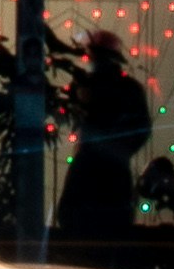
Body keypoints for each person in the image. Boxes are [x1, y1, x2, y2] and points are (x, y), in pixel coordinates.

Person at [58, 29, 154, 240]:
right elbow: (142, 129)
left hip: (100, 167)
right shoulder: (127, 88)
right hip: (110, 167)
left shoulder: (91, 86)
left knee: (86, 225)